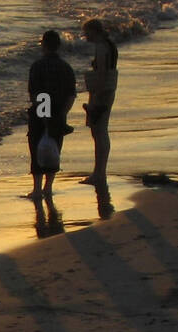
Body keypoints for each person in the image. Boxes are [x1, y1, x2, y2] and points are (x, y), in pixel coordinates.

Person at [27, 30, 77, 200]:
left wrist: (44, 114)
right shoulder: (66, 67)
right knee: (54, 149)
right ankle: (48, 187)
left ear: (44, 45)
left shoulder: (38, 66)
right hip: (58, 112)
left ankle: (37, 189)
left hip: (41, 111)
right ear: (59, 46)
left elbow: (35, 94)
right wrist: (62, 113)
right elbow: (71, 94)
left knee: (36, 149)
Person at [81, 18, 118, 185]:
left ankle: (99, 173)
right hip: (108, 91)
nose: (85, 36)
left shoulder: (102, 48)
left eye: (86, 32)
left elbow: (102, 74)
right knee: (101, 132)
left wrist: (95, 97)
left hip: (102, 92)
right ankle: (99, 172)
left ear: (94, 32)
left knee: (99, 132)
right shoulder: (109, 44)